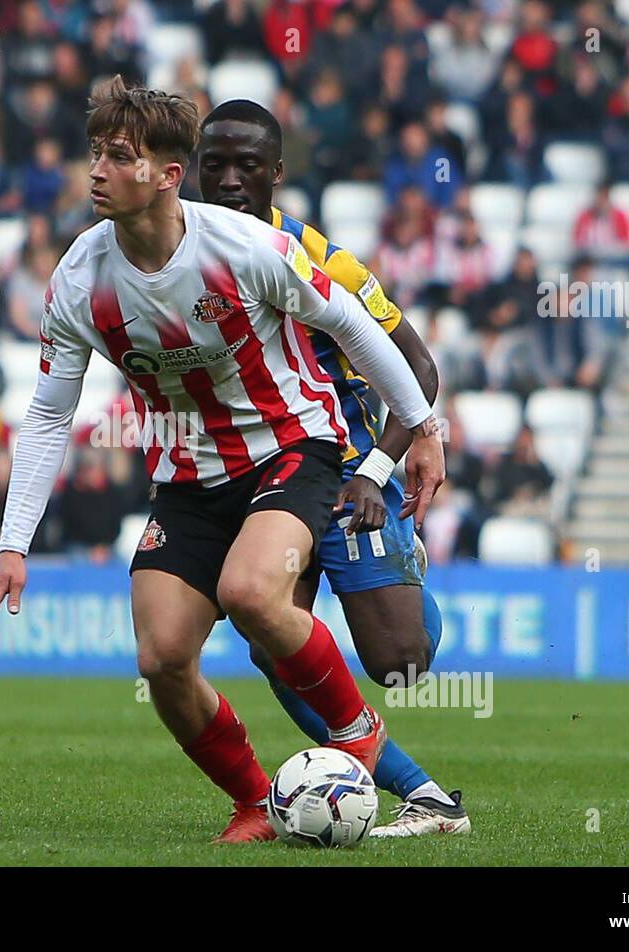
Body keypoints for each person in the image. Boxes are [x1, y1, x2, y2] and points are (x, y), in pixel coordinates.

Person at [0, 77, 445, 843]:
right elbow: (50, 412)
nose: (96, 170)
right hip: (188, 477)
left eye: (118, 156)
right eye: (96, 153)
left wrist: (422, 428)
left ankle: (356, 731)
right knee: (162, 657)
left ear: (167, 174)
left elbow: (355, 325)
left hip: (291, 448)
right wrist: (12, 546)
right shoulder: (78, 279)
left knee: (255, 595)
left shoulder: (248, 248)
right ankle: (256, 800)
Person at [197, 99, 469, 837]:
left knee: (401, 662)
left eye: (247, 166)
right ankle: (422, 793)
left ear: (277, 173)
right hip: (258, 479)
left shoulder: (319, 258)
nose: (229, 181)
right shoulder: (174, 253)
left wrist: (380, 466)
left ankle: (401, 565)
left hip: (343, 471)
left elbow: (416, 365)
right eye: (214, 165)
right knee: (271, 643)